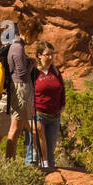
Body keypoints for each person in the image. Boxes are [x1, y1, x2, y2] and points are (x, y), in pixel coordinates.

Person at [25, 41, 65, 170]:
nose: (51, 57)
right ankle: (29, 175)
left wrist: (62, 105)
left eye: (52, 54)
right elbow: (27, 93)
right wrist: (31, 116)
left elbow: (62, 89)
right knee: (34, 151)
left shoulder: (55, 71)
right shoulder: (33, 72)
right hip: (38, 115)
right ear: (39, 55)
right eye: (47, 54)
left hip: (54, 116)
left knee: (50, 152)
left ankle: (49, 176)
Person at [2, 24, 36, 163]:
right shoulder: (18, 47)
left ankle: (12, 162)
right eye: (35, 35)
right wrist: (32, 64)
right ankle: (9, 164)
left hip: (20, 88)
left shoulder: (16, 46)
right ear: (28, 32)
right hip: (20, 89)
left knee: (20, 127)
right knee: (15, 129)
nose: (35, 39)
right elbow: (21, 72)